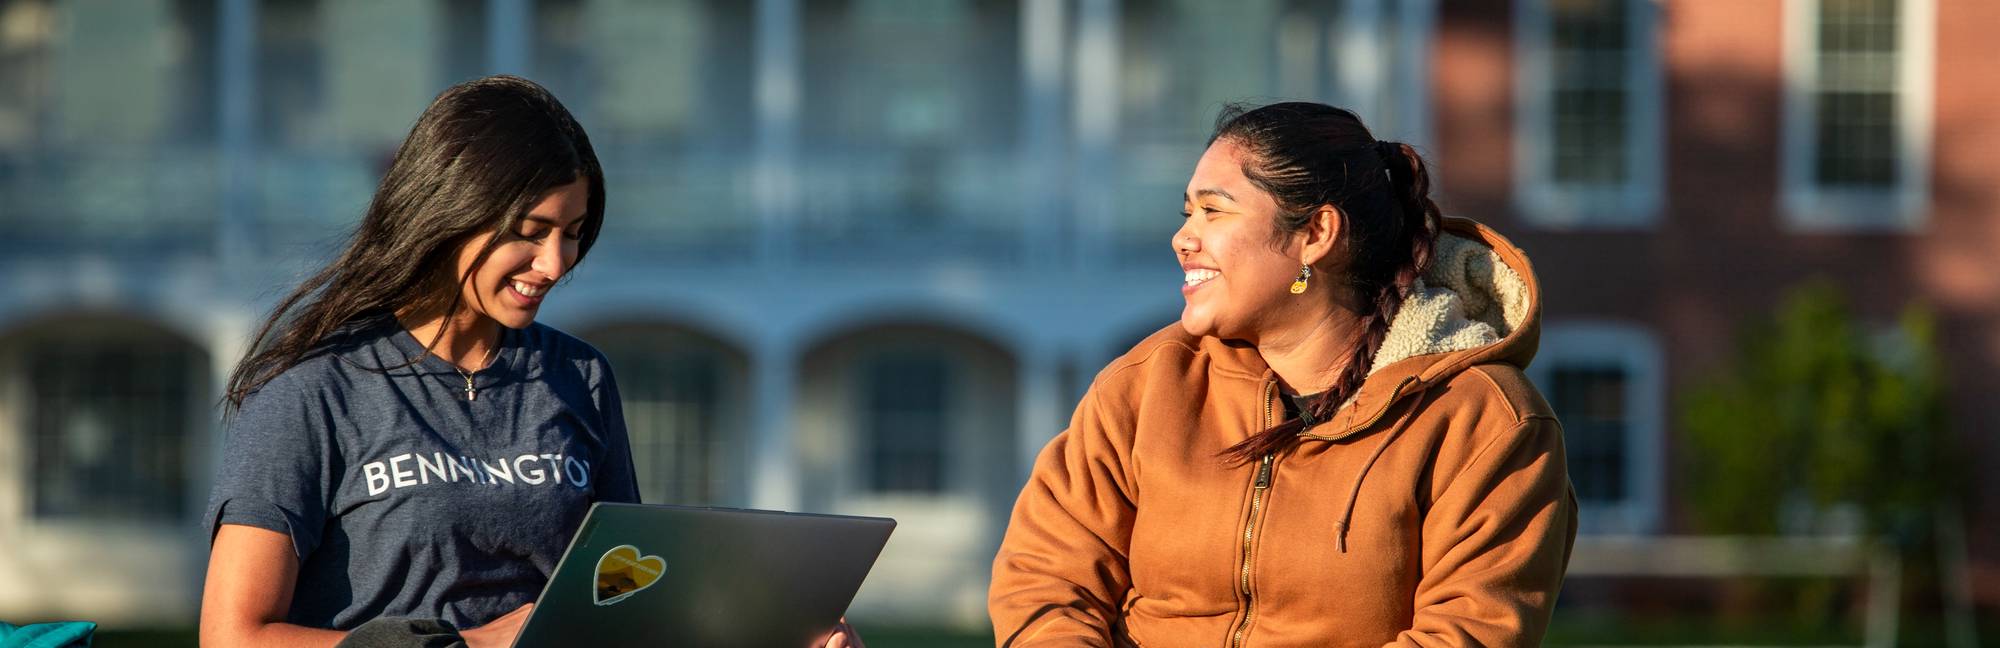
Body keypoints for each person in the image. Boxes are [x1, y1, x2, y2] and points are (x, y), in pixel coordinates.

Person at [198, 75, 863, 648]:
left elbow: (626, 604)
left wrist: (777, 633)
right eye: (531, 232)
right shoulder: (314, 393)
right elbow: (233, 635)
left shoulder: (581, 378)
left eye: (573, 234)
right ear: (450, 209)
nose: (556, 265)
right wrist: (462, 645)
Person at [989, 101, 1576, 647]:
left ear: (1316, 234)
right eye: (1187, 211)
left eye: (1213, 210)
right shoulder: (1146, 385)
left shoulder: (1484, 420)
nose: (1182, 238)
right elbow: (1045, 582)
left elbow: (1468, 632)